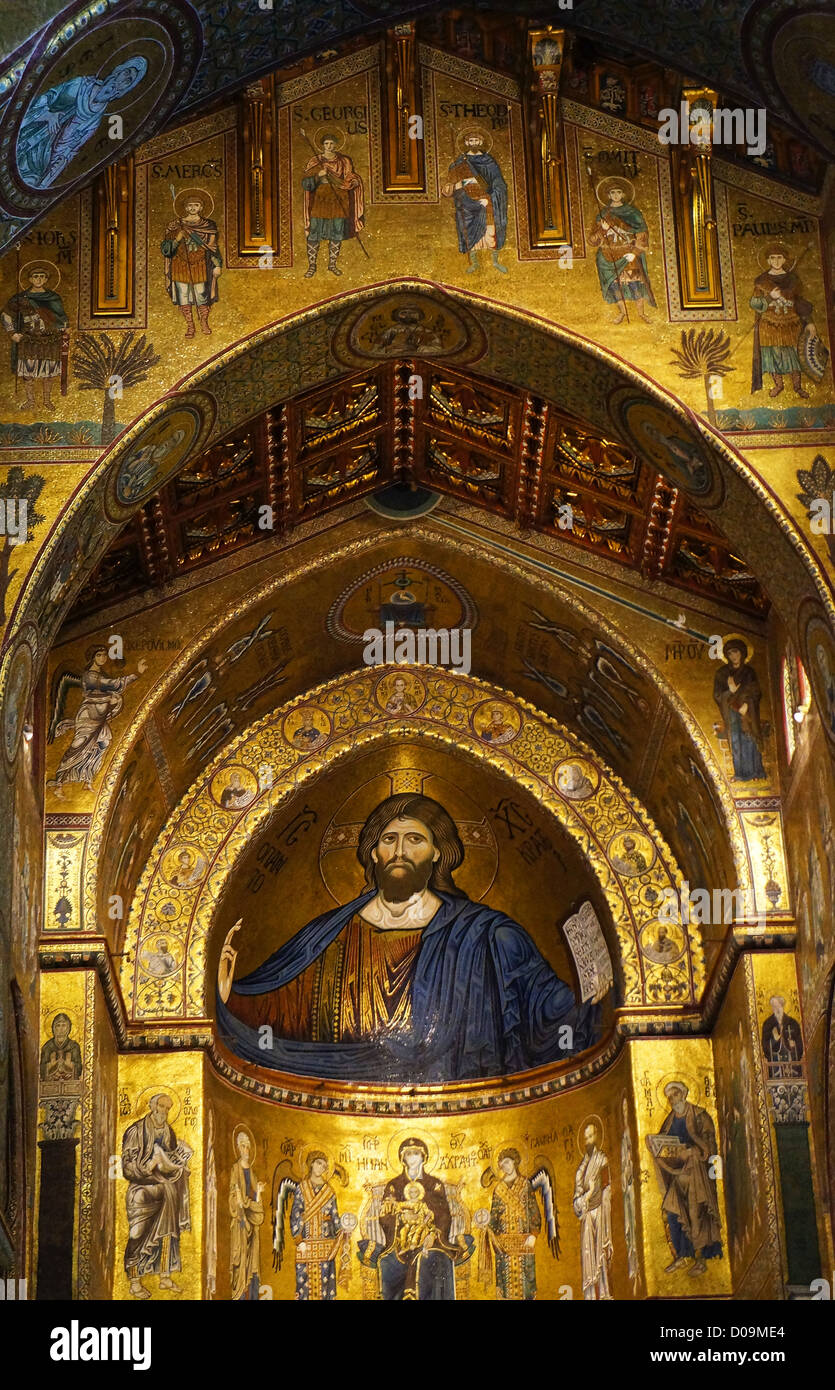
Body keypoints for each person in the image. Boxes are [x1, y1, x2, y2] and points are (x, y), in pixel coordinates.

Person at [217, 792, 606, 1083]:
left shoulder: (489, 935)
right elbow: (277, 1011)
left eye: (415, 839)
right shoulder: (331, 933)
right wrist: (227, 995)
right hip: (336, 1089)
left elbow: (549, 1017)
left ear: (439, 853)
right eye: (389, 839)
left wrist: (589, 998)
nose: (400, 850)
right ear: (372, 853)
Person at [17, 59, 148, 189]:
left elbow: (70, 150)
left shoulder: (94, 122)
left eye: (129, 80)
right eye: (126, 73)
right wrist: (48, 115)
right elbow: (45, 99)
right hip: (30, 135)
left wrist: (61, 161)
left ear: (126, 88)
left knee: (28, 181)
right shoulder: (81, 86)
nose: (124, 80)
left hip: (42, 161)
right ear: (118, 71)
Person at [47, 646, 148, 796]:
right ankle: (59, 782)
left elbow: (110, 687)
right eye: (99, 655)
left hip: (100, 715)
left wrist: (112, 698)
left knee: (104, 743)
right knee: (78, 745)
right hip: (89, 714)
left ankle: (88, 780)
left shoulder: (101, 674)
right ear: (93, 657)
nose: (103, 658)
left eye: (105, 655)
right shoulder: (90, 676)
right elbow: (112, 685)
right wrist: (136, 674)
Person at [648, 1081, 722, 1277]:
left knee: (696, 1214)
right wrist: (655, 1146)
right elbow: (664, 1143)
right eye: (670, 1097)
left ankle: (701, 1259)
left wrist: (693, 1151)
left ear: (683, 1094)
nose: (672, 1100)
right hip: (677, 1175)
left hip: (697, 1175)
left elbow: (710, 1144)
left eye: (675, 1095)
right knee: (672, 1211)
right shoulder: (670, 1120)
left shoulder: (699, 1115)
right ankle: (682, 1254)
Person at [122, 1093, 192, 1299]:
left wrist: (179, 1164)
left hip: (165, 1190)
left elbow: (170, 1160)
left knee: (167, 1235)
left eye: (167, 1108)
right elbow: (127, 1167)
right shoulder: (136, 1131)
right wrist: (147, 1168)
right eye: (160, 1106)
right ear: (152, 1106)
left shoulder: (169, 1132)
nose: (164, 1111)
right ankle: (134, 1280)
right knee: (137, 1234)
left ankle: (164, 1275)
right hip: (141, 1191)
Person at [373, 1138, 460, 1300]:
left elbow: (444, 1215)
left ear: (423, 1156)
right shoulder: (394, 1185)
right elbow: (385, 1217)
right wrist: (401, 1217)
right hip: (399, 1243)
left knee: (431, 1259)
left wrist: (433, 1234)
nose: (412, 1157)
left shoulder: (434, 1184)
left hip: (431, 1241)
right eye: (408, 1154)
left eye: (416, 1153)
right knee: (386, 1263)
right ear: (402, 1158)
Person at [750, 244, 814, 399]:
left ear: (785, 259)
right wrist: (770, 296)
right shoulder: (761, 281)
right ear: (767, 260)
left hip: (791, 324)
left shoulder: (793, 280)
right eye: (772, 258)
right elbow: (755, 304)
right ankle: (778, 384)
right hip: (769, 326)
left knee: (793, 354)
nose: (776, 261)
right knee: (771, 355)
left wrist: (810, 322)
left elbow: (800, 302)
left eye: (779, 257)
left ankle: (797, 387)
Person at [442, 130, 508, 274]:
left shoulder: (489, 162)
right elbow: (449, 186)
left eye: (476, 141)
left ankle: (495, 262)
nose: (473, 143)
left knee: (490, 232)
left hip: (488, 201)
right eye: (471, 141)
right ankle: (475, 263)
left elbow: (499, 184)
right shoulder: (460, 163)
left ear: (481, 142)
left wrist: (490, 191)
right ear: (466, 143)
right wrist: (457, 185)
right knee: (470, 233)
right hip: (467, 203)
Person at [2, 267, 68, 410]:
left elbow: (62, 318)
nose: (38, 279)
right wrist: (12, 332)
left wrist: (64, 327)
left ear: (46, 279)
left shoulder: (53, 298)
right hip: (28, 339)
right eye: (35, 276)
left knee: (48, 372)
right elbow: (6, 315)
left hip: (49, 340)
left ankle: (47, 400)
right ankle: (30, 401)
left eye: (42, 276)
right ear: (30, 279)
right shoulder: (21, 299)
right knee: (28, 372)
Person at [587, 183, 655, 324]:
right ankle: (622, 313)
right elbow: (592, 240)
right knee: (614, 286)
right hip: (607, 256)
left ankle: (641, 313)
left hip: (627, 254)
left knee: (634, 284)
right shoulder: (603, 214)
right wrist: (603, 229)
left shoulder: (633, 213)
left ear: (623, 194)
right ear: (608, 195)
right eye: (613, 192)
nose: (616, 195)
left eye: (619, 192)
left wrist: (635, 253)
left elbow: (642, 235)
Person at [301, 134, 364, 278]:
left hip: (339, 199)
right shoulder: (315, 161)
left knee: (337, 232)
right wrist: (318, 176)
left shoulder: (344, 161)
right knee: (314, 233)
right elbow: (305, 184)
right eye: (326, 143)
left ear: (336, 145)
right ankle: (312, 266)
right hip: (320, 201)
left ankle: (332, 264)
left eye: (332, 143)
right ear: (322, 145)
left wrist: (354, 182)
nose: (329, 146)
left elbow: (350, 176)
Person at [289, 1152, 349, 1300]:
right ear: (311, 1164)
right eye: (318, 1163)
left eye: (324, 1165)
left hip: (325, 1246)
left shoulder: (329, 1192)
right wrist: (299, 1239)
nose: (320, 1167)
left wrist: (344, 1226)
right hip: (306, 1245)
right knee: (304, 1285)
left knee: (325, 1283)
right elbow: (295, 1214)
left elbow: (335, 1218)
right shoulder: (302, 1188)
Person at [484, 1149, 542, 1300]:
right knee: (506, 1286)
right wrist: (487, 1227)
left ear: (515, 1162)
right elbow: (494, 1218)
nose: (505, 1166)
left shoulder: (525, 1185)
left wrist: (534, 1234)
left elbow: (533, 1211)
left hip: (523, 1242)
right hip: (505, 1245)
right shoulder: (499, 1190)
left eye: (507, 1162)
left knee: (526, 1284)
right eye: (502, 1164)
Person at [161, 197, 222, 337]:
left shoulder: (209, 225)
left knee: (202, 295)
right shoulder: (175, 225)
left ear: (201, 207)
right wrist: (178, 237)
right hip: (180, 265)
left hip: (200, 265)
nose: (193, 208)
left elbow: (213, 248)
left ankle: (204, 322)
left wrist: (217, 265)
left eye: (196, 205)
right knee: (183, 296)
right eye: (190, 205)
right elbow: (166, 250)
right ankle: (190, 325)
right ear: (185, 208)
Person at [713, 638, 766, 781]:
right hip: (731, 712)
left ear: (742, 653)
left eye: (735, 652)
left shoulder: (749, 672)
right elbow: (718, 695)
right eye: (729, 653)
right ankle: (740, 774)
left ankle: (755, 772)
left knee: (749, 738)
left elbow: (755, 691)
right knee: (736, 740)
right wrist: (730, 691)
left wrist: (747, 705)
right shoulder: (722, 674)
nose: (733, 656)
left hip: (748, 711)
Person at [573, 1122, 613, 1299]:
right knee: (589, 1255)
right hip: (588, 1215)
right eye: (586, 1138)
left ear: (597, 1136)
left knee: (601, 1256)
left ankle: (605, 1293)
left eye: (591, 1136)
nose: (589, 1141)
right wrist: (587, 1195)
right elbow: (576, 1202)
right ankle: (590, 1297)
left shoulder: (602, 1160)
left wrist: (603, 1197)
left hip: (601, 1212)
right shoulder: (581, 1170)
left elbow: (608, 1187)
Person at [229, 1129, 265, 1300]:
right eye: (243, 1146)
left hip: (252, 1225)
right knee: (240, 1264)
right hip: (241, 1225)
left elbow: (253, 1198)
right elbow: (232, 1196)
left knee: (252, 1267)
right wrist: (238, 1201)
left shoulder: (252, 1173)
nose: (246, 1150)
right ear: (238, 1148)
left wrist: (258, 1194)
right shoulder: (235, 1170)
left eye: (248, 1147)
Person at [620, 1097, 639, 1286]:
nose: (626, 1114)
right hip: (628, 1191)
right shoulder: (623, 1140)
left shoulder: (632, 1134)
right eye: (624, 1111)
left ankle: (636, 1264)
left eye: (628, 1110)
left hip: (634, 1190)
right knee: (630, 1229)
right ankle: (633, 1265)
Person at [761, 995, 804, 1078]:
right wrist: (774, 1040)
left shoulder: (792, 1023)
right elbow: (765, 1047)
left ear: (782, 1006)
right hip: (776, 1067)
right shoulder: (768, 1024)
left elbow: (800, 1046)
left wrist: (794, 1046)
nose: (776, 1009)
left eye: (778, 1006)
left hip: (792, 1066)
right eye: (773, 1006)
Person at [39, 1013, 82, 1081]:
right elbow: (41, 1068)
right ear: (54, 1028)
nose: (61, 1029)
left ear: (68, 1028)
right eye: (58, 1025)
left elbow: (79, 1067)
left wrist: (69, 1068)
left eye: (64, 1025)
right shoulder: (47, 1046)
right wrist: (51, 1068)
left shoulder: (74, 1046)